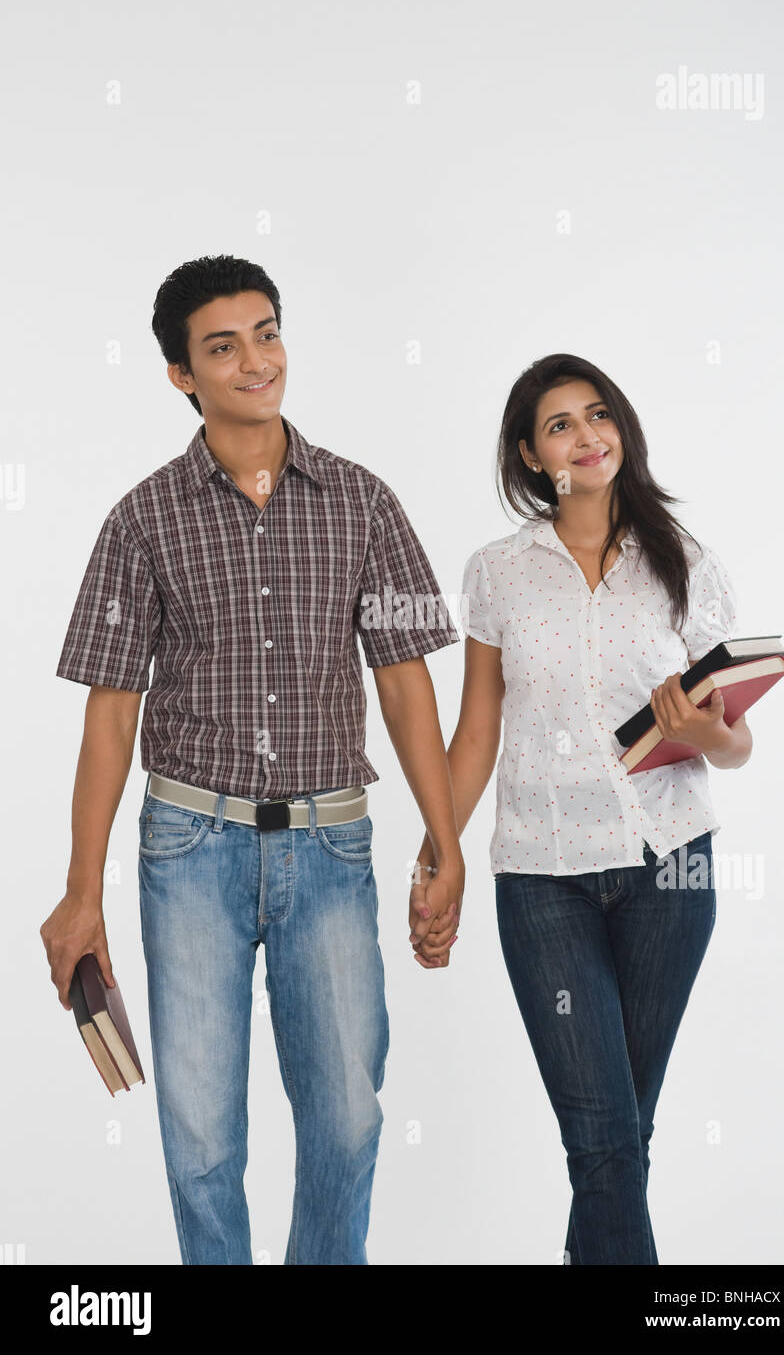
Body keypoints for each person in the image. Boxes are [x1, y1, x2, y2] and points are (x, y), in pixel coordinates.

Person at [41, 253, 464, 1265]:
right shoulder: (140, 519)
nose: (253, 361)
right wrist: (79, 891)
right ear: (181, 375)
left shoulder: (363, 501)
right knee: (197, 1140)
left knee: (350, 1120)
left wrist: (444, 837)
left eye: (265, 333)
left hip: (330, 845)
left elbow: (404, 681)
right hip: (189, 846)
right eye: (221, 347)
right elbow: (110, 715)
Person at [409, 353, 752, 1264]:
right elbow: (475, 731)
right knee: (605, 1141)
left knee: (619, 1142)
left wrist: (703, 728)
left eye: (598, 415)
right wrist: (439, 849)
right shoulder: (497, 572)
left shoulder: (687, 564)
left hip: (670, 868)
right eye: (560, 424)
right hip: (540, 876)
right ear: (529, 456)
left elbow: (735, 740)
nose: (587, 435)